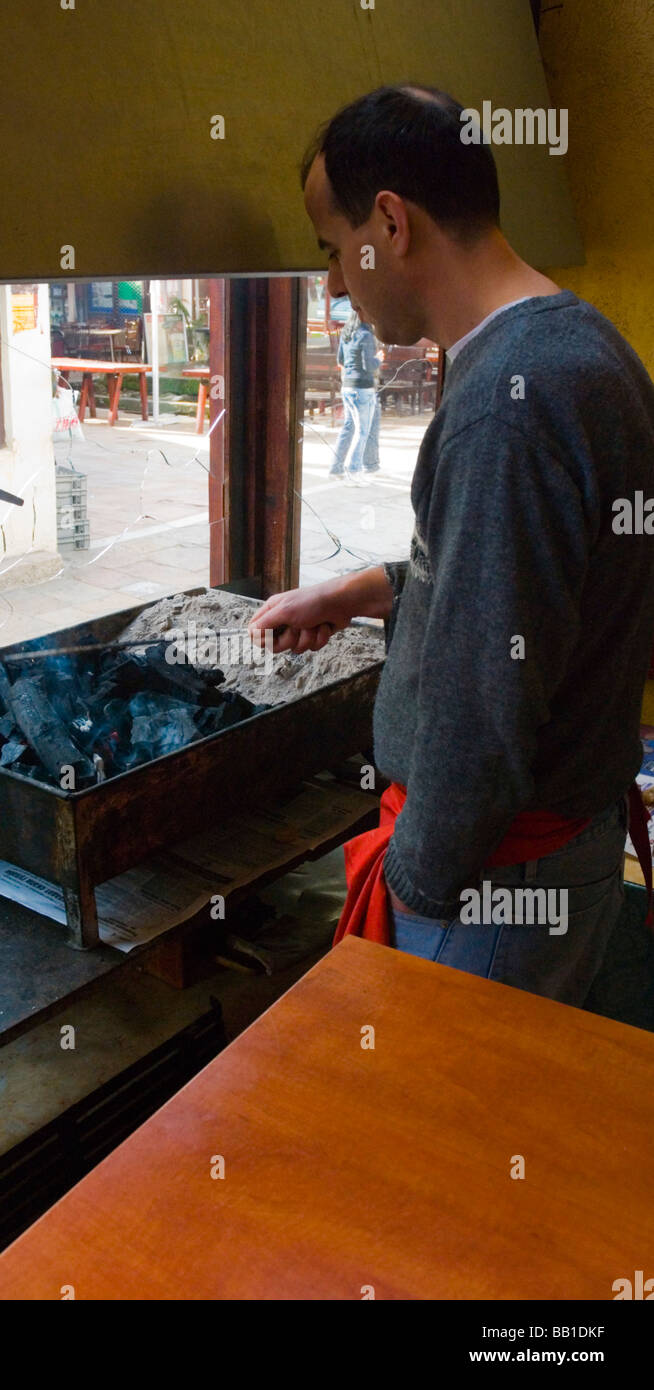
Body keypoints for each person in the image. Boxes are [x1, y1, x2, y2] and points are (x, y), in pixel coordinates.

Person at [249, 84, 654, 1010]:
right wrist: (351, 593)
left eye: (331, 250)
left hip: (490, 893)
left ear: (389, 222)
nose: (333, 286)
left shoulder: (508, 404)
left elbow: (483, 705)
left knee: (455, 1141)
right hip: (558, 854)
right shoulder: (581, 345)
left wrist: (412, 891)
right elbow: (526, 591)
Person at [329, 313, 381, 480]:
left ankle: (336, 469)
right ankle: (354, 470)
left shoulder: (347, 335)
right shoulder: (366, 335)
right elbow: (368, 366)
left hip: (347, 387)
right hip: (363, 388)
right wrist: (378, 359)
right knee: (363, 431)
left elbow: (341, 361)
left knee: (348, 428)